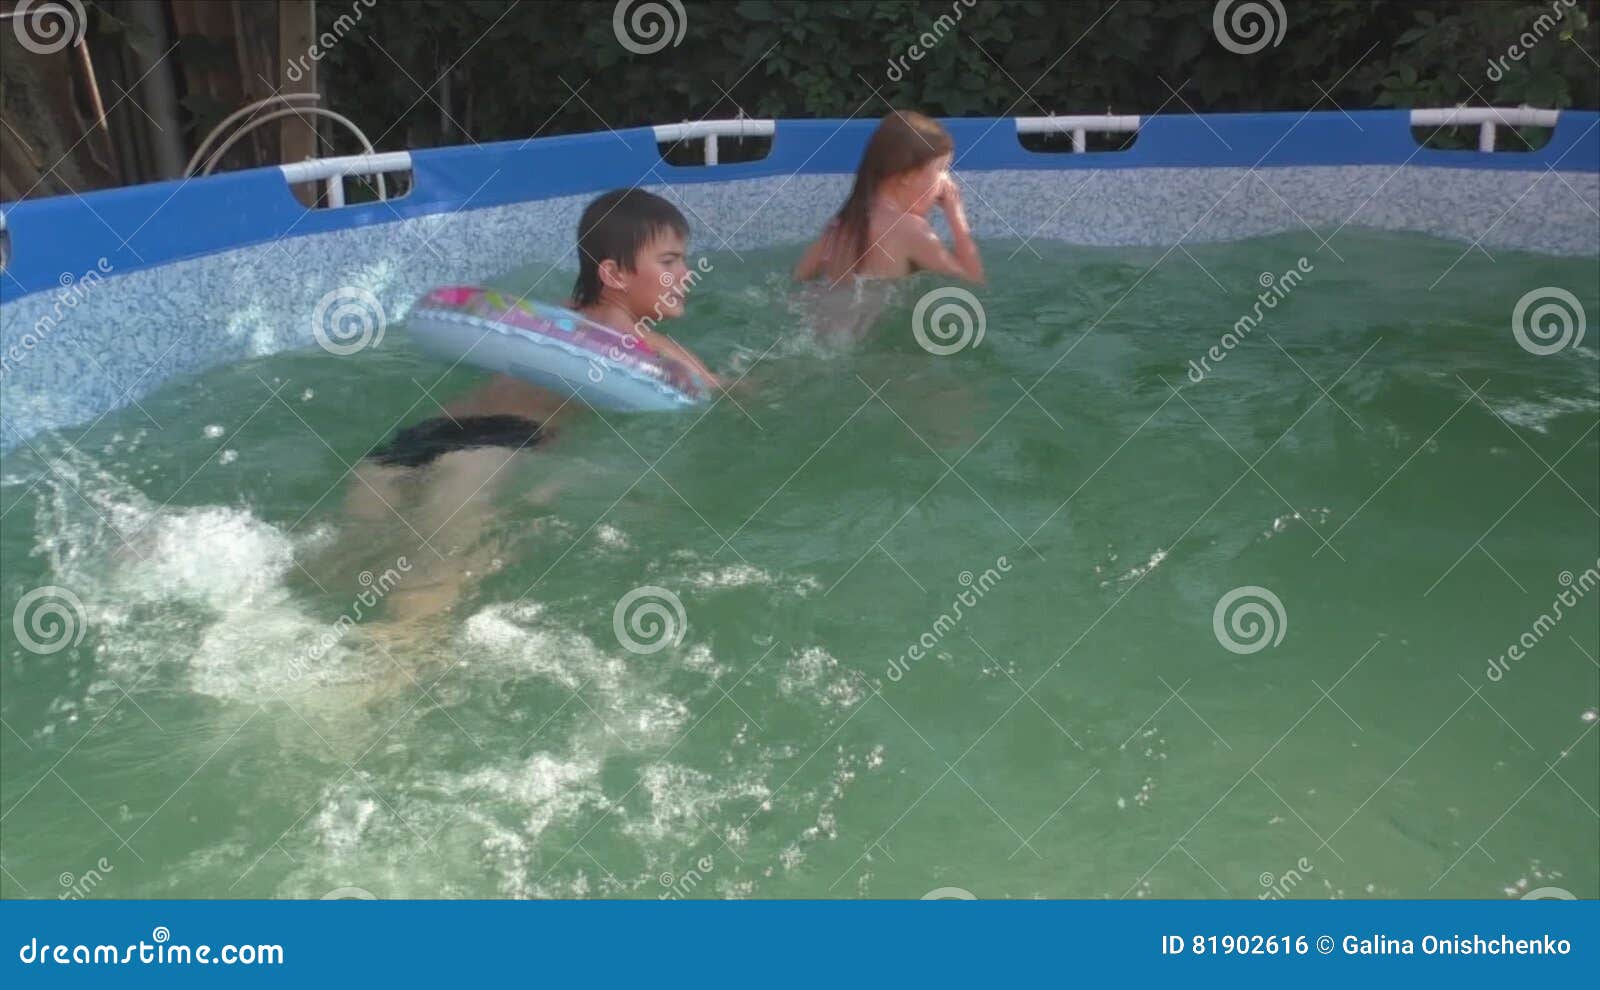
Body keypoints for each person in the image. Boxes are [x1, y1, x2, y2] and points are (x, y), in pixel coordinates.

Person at [341, 189, 719, 648]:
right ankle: (394, 661)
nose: (686, 274)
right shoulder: (656, 352)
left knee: (348, 555)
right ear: (614, 273)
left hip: (421, 436)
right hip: (498, 444)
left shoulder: (544, 318)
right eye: (670, 261)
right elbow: (720, 392)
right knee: (441, 566)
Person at [793, 110, 985, 286]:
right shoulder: (911, 229)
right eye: (941, 168)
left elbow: (798, 278)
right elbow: (973, 281)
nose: (947, 180)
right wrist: (957, 218)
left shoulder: (841, 224)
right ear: (908, 176)